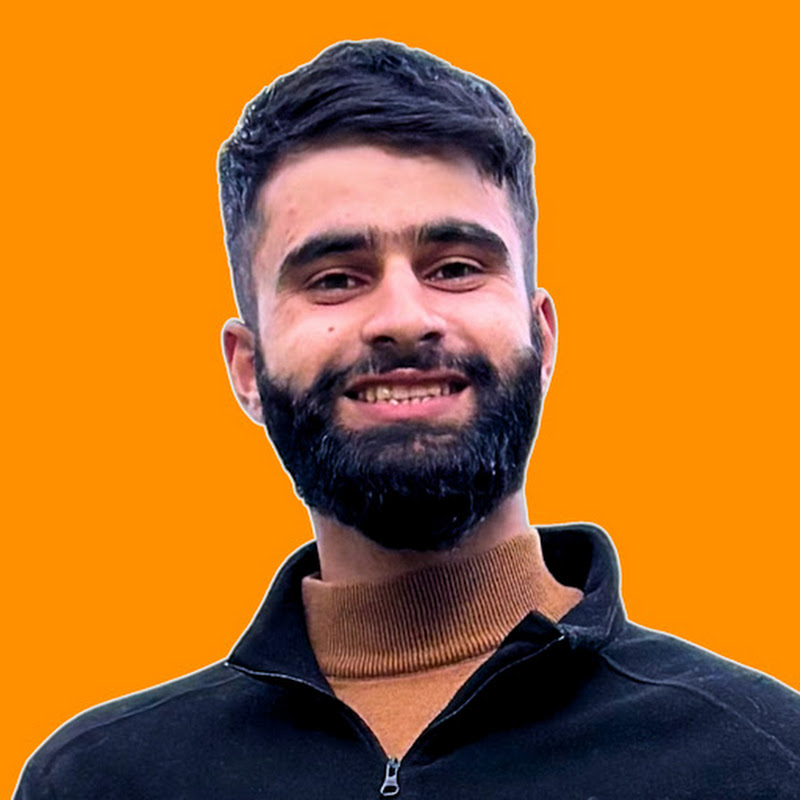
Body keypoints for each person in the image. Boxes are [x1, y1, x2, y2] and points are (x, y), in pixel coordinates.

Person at [14, 39, 800, 800]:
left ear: (542, 337)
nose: (402, 318)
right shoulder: (99, 782)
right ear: (248, 368)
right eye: (335, 278)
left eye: (454, 268)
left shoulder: (767, 760)